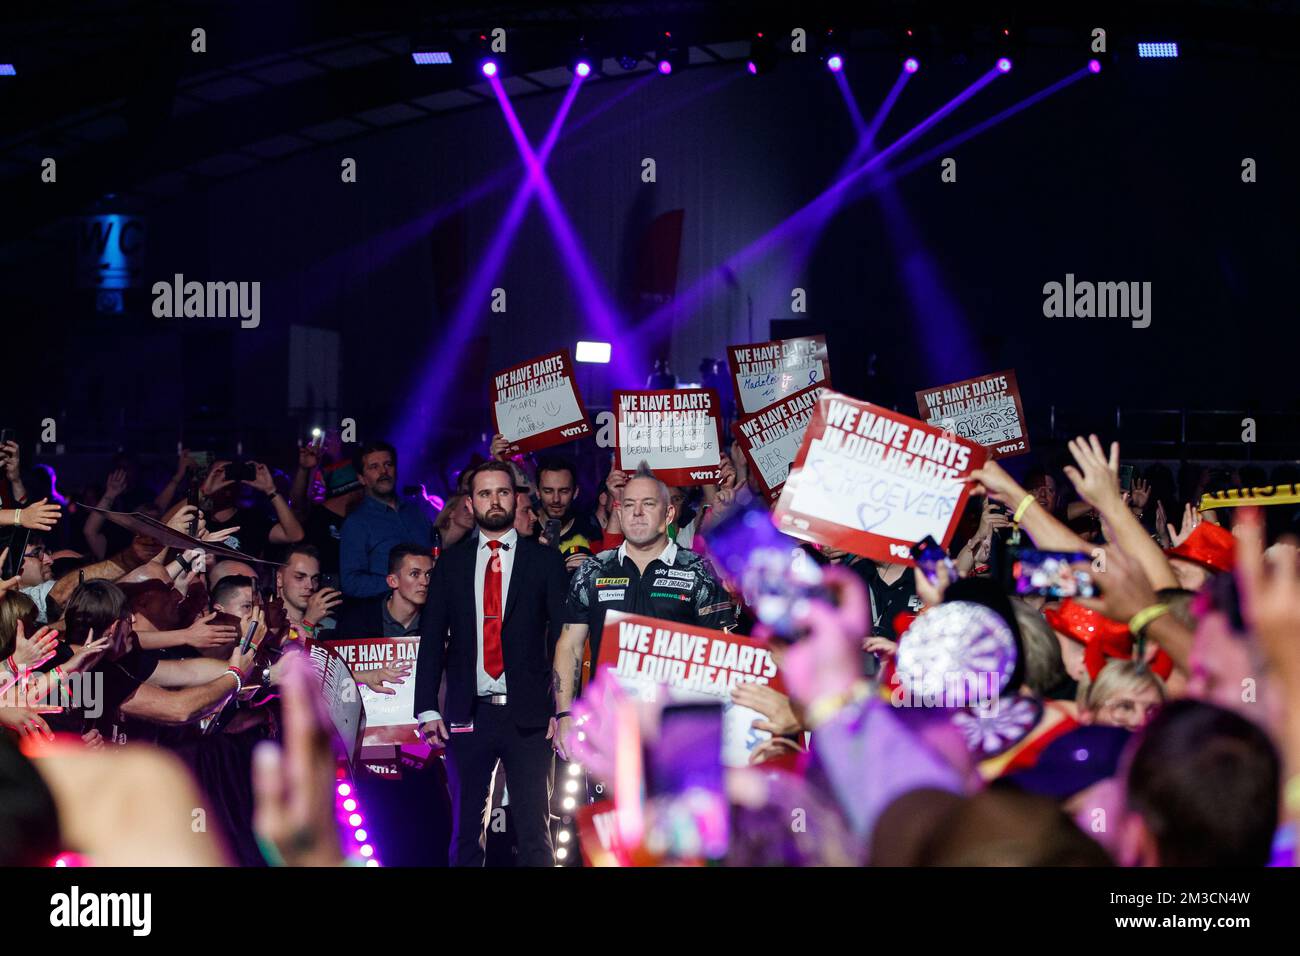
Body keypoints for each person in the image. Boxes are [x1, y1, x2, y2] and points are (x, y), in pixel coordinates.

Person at [413, 461, 568, 867]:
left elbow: (565, 642)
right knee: (466, 831)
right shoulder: (450, 564)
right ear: (470, 503)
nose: (494, 500)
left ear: (516, 498)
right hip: (469, 713)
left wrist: (563, 709)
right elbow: (432, 639)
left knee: (536, 832)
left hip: (531, 715)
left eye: (502, 492)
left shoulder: (545, 561)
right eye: (484, 493)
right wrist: (427, 706)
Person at [552, 463, 735, 761]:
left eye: (648, 504)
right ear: (619, 513)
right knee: (609, 809)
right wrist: (563, 713)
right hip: (610, 725)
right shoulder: (593, 570)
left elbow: (723, 649)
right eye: (629, 505)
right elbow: (569, 644)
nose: (637, 513)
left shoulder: (699, 571)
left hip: (678, 727)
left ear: (669, 514)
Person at [340, 441, 437, 598]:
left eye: (388, 464)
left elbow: (435, 551)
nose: (383, 471)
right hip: (385, 615)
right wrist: (399, 583)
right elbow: (351, 582)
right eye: (374, 467)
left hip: (429, 609)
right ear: (362, 478)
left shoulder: (416, 512)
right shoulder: (357, 523)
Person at [534, 455, 603, 574]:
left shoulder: (589, 526)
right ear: (538, 493)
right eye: (548, 491)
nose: (556, 499)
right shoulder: (527, 529)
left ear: (575, 492)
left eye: (564, 491)